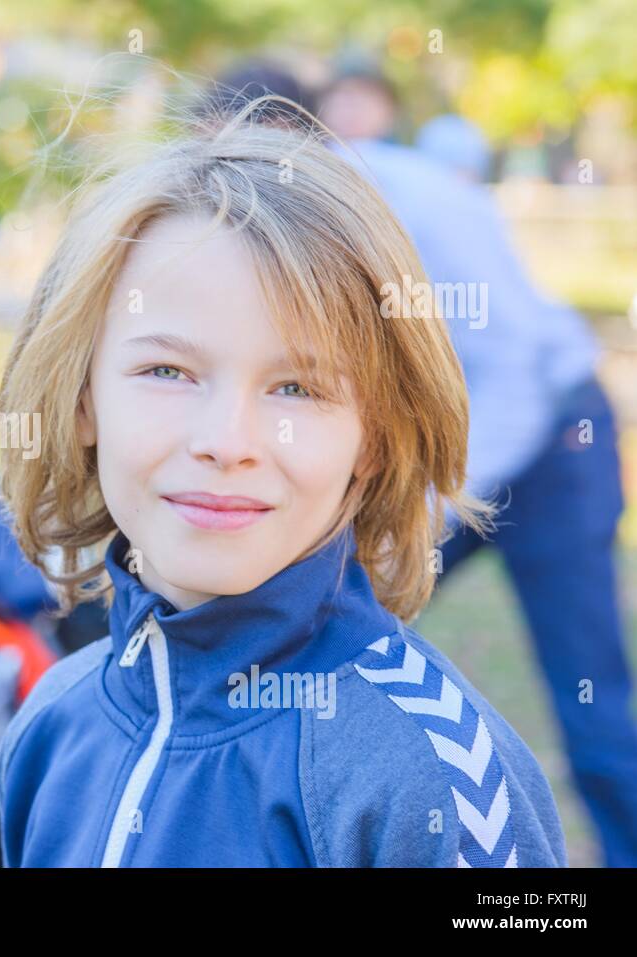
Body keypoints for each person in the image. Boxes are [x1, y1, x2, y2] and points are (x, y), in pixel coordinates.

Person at [0, 100, 566, 866]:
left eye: (297, 388)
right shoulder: (51, 725)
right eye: (167, 371)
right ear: (83, 399)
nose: (227, 443)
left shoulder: (434, 781)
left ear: (373, 439)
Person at [318, 68, 637, 868]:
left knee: (589, 693)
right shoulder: (299, 217)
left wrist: (425, 509)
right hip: (459, 454)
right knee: (325, 632)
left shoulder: (409, 201)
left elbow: (514, 374)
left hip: (553, 443)